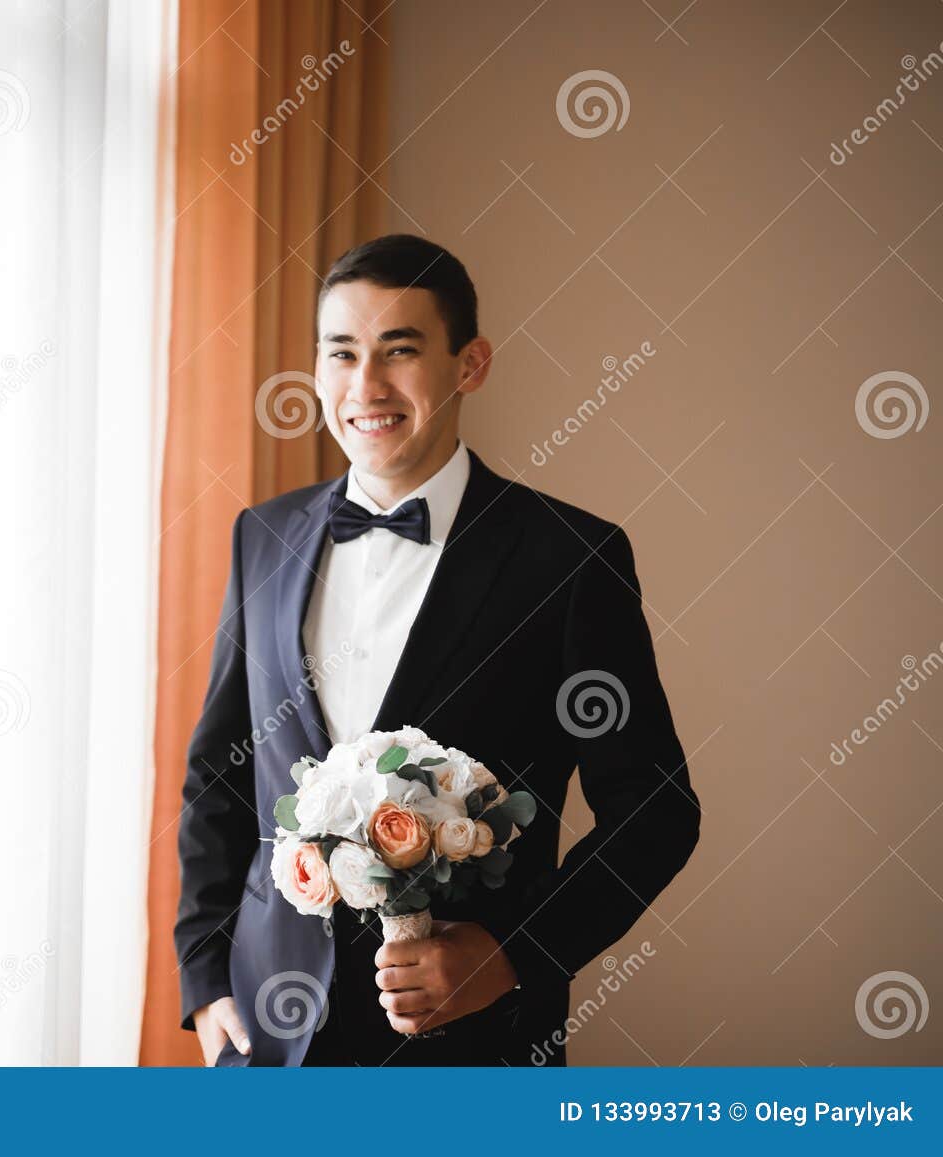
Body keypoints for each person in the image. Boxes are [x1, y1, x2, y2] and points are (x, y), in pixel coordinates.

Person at [173, 234, 702, 1066]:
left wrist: (512, 955)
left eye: (400, 351)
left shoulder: (568, 558)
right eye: (341, 353)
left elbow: (656, 807)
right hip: (264, 1032)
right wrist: (204, 976)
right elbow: (220, 774)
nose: (366, 386)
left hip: (467, 1045)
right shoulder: (263, 536)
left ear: (471, 364)